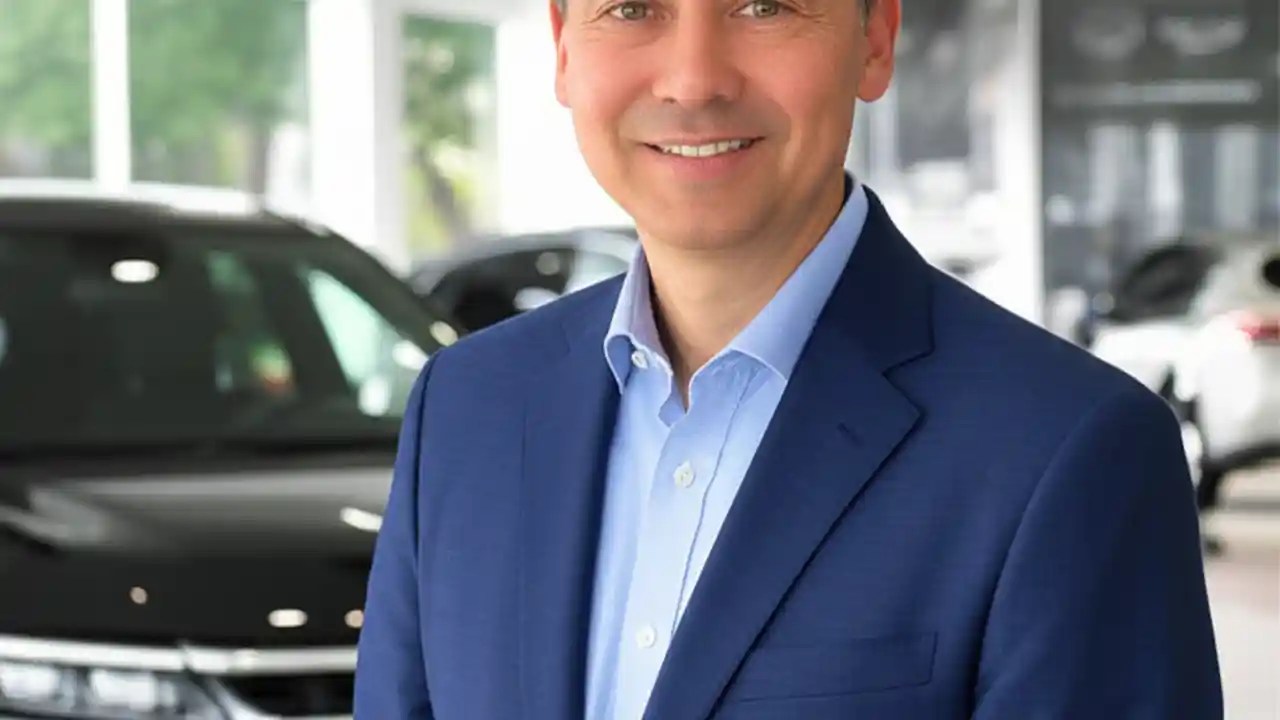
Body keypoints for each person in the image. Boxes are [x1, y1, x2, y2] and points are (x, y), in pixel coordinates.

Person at [355, 0, 1223, 717]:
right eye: (630, 10)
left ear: (875, 37)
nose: (694, 82)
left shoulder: (1071, 450)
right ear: (561, 48)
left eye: (765, 6)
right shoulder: (466, 407)